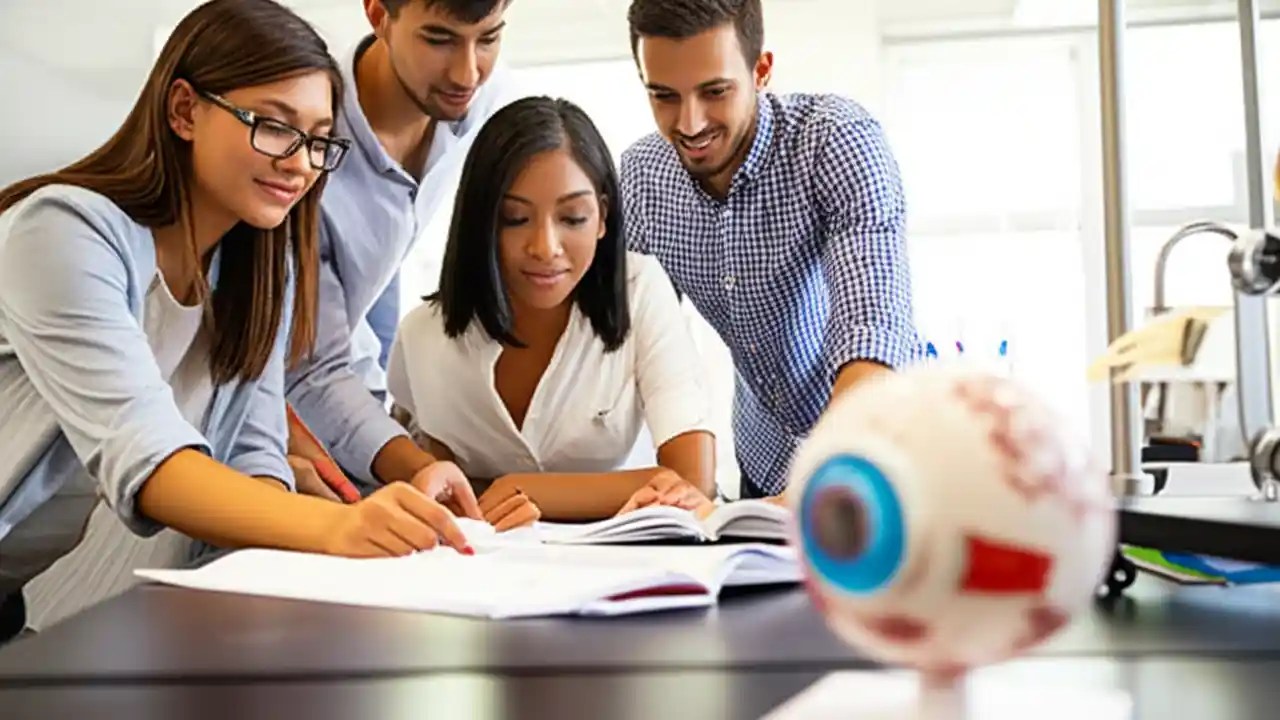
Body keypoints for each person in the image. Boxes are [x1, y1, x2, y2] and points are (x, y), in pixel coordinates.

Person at [0, 0, 480, 643]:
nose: (301, 163)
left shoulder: (259, 271)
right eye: (273, 125)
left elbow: (255, 456)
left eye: (317, 140)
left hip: (29, 602)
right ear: (183, 110)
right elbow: (147, 455)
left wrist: (324, 524)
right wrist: (337, 527)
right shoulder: (62, 231)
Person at [620, 0, 923, 500]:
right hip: (763, 457)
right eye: (664, 96)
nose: (690, 123)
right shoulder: (643, 177)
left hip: (884, 446)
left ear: (761, 70)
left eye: (714, 92)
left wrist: (819, 480)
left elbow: (873, 326)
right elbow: (634, 347)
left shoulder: (835, 140)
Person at [387, 96, 718, 528]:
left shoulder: (640, 289)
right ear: (480, 221)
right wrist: (644, 482)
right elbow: (444, 493)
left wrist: (516, 488)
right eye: (514, 218)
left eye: (573, 218)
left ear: (602, 216)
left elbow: (692, 482)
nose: (545, 248)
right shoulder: (423, 339)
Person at [283, 0, 526, 501]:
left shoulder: (489, 101)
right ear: (377, 15)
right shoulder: (304, 147)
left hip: (359, 400)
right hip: (269, 425)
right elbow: (308, 368)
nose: (467, 72)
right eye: (438, 40)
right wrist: (416, 465)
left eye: (488, 38)